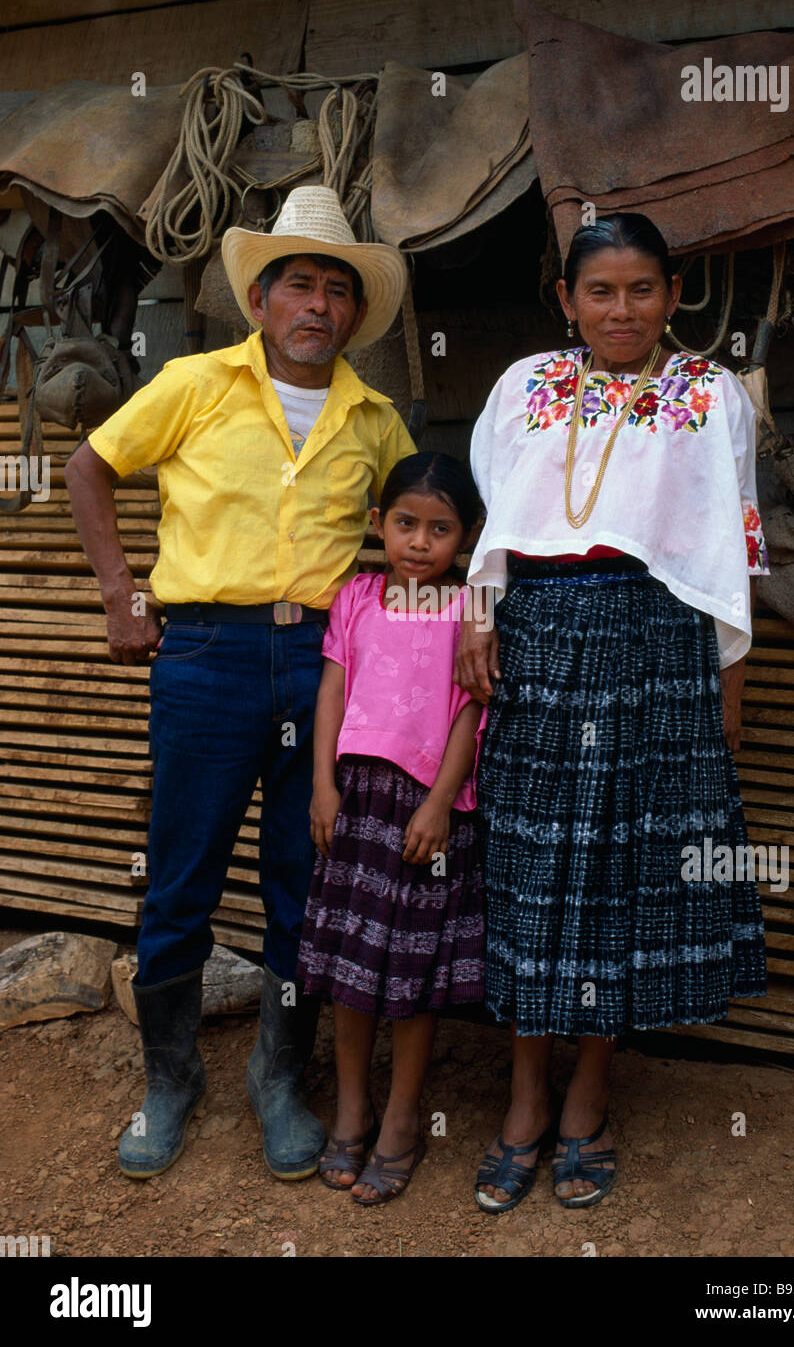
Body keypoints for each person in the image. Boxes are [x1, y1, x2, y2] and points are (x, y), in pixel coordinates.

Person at [64, 185, 416, 1181]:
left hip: (322, 667)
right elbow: (89, 467)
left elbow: (416, 526)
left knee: (305, 878)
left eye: (336, 291)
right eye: (298, 285)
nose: (317, 306)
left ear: (355, 313)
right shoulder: (195, 382)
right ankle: (169, 1081)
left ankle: (279, 1078)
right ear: (259, 300)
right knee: (183, 874)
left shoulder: (374, 418)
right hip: (207, 657)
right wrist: (119, 595)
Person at [454, 212, 770, 1213]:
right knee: (534, 864)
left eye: (641, 290)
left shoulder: (711, 393)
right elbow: (495, 519)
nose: (621, 309)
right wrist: (477, 615)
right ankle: (523, 1097)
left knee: (625, 871)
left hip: (658, 642)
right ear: (567, 299)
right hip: (540, 637)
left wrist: (727, 689)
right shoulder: (523, 385)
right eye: (600, 291)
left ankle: (587, 1094)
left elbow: (736, 544)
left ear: (673, 294)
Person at [298, 451, 486, 1204]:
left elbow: (471, 713)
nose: (419, 542)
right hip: (356, 801)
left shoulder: (472, 609)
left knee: (414, 969)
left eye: (440, 530)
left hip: (428, 813)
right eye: (406, 523)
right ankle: (352, 1110)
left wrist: (441, 802)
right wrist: (321, 785)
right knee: (350, 966)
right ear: (378, 524)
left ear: (467, 538)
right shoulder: (356, 597)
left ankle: (403, 1120)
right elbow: (332, 690)